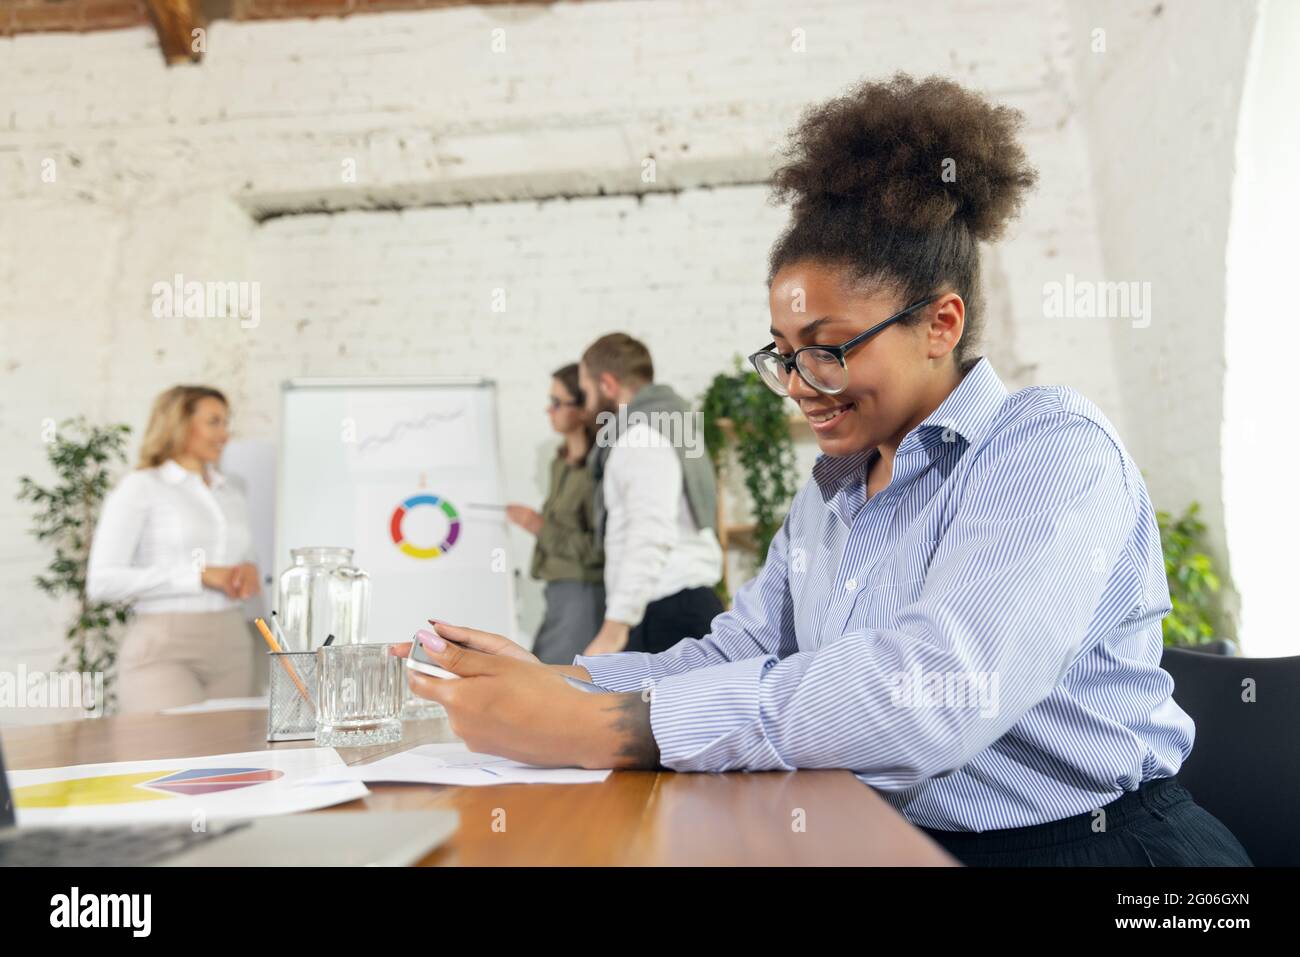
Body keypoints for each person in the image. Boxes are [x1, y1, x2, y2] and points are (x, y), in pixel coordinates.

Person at [393, 74, 1251, 867]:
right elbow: (743, 649)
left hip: (1097, 852)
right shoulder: (832, 493)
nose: (801, 388)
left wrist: (612, 724)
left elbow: (927, 694)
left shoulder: (1048, 450)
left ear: (941, 322)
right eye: (786, 355)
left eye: (829, 351)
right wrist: (555, 681)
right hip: (892, 837)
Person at [88, 385, 260, 713]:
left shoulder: (232, 489)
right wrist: (198, 575)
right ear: (180, 424)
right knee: (168, 756)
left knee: (232, 761)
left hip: (233, 643)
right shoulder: (141, 487)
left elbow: (243, 555)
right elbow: (103, 582)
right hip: (165, 647)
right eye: (214, 422)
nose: (225, 434)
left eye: (227, 423)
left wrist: (248, 569)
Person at [577, 333, 724, 657]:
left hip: (665, 614)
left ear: (608, 385)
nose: (586, 405)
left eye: (586, 391)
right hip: (673, 606)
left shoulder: (639, 438)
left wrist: (614, 629)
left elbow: (649, 533)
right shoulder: (667, 425)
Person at [505, 364, 605, 664]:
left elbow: (599, 549)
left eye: (557, 402)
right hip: (558, 591)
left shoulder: (599, 469)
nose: (549, 410)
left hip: (584, 593)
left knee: (550, 679)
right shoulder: (559, 464)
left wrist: (538, 526)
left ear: (583, 407)